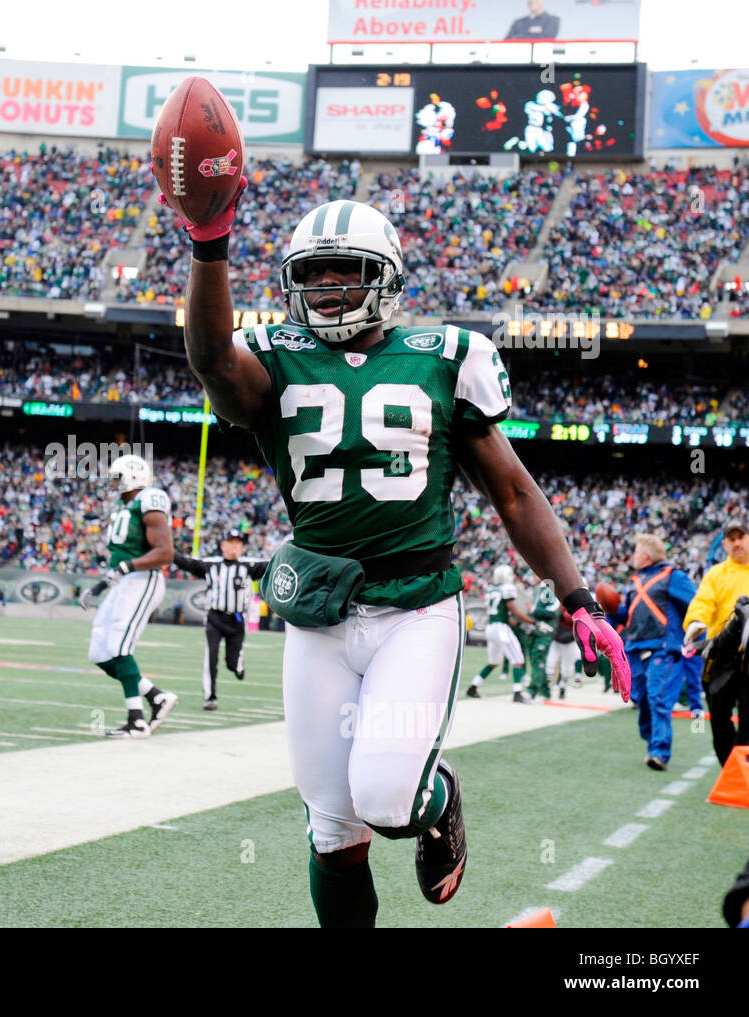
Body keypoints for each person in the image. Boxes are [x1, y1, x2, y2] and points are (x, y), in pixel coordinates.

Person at [177, 188, 630, 927]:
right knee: (332, 832)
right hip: (320, 613)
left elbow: (513, 493)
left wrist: (578, 595)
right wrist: (209, 241)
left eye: (343, 271)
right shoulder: (271, 357)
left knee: (387, 800)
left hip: (417, 606)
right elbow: (211, 359)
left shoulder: (445, 356)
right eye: (312, 274)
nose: (325, 288)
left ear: (384, 276)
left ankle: (438, 795)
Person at [79, 453, 179, 737]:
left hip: (143, 579)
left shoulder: (150, 498)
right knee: (99, 651)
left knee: (120, 646)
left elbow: (165, 552)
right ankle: (156, 696)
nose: (114, 484)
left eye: (118, 478)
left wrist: (126, 566)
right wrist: (99, 587)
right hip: (124, 581)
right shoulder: (126, 506)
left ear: (133, 476)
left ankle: (136, 720)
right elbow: (121, 557)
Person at [612, 534, 696, 771]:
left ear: (646, 555)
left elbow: (695, 604)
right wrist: (608, 609)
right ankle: (652, 743)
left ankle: (659, 752)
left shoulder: (674, 576)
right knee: (642, 699)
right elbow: (627, 615)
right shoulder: (634, 581)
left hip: (662, 647)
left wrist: (690, 635)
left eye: (636, 551)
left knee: (657, 696)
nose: (633, 556)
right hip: (634, 647)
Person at [173, 529, 267, 710]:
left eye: (238, 544)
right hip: (215, 617)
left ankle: (237, 664)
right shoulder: (211, 565)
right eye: (230, 543)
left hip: (237, 619)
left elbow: (270, 565)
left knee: (231, 664)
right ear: (222, 546)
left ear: (242, 548)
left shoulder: (248, 566)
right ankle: (210, 697)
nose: (234, 547)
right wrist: (168, 552)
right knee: (211, 656)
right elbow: (188, 563)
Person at [683, 519, 749, 764]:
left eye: (740, 536)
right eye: (731, 539)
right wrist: (694, 623)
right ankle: (729, 769)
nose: (737, 542)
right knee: (719, 715)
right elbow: (702, 603)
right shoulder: (716, 574)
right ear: (724, 544)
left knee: (748, 719)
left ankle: (741, 774)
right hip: (721, 655)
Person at [466, 564, 537, 701]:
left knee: (493, 661)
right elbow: (513, 609)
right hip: (501, 628)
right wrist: (531, 621)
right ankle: (517, 693)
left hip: (491, 627)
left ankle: (473, 687)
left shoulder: (492, 590)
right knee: (518, 659)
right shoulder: (507, 589)